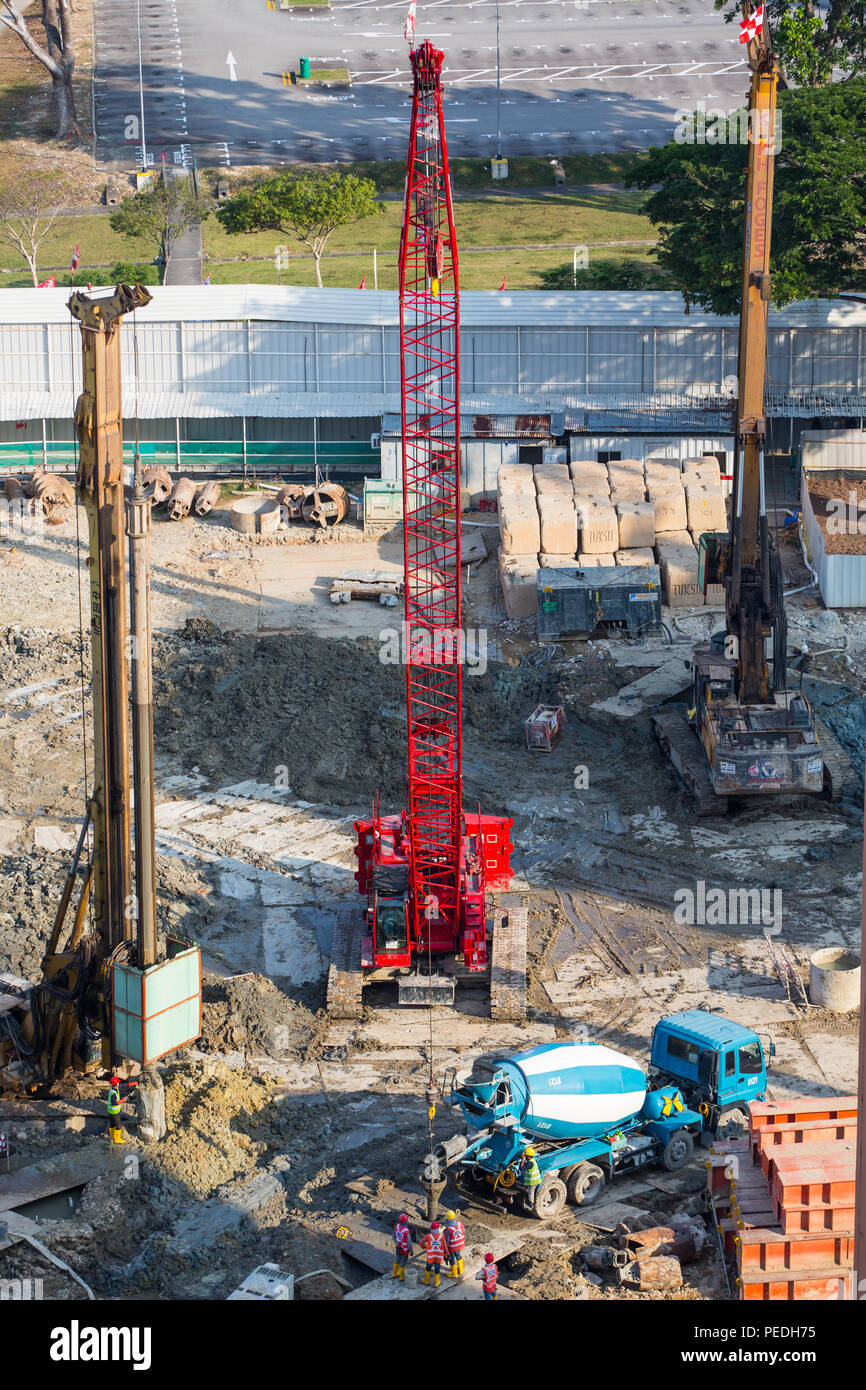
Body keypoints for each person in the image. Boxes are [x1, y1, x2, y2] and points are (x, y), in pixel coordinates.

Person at [421, 1219, 446, 1287]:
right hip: (438, 1257)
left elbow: (421, 1243)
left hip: (430, 1257)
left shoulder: (428, 1236)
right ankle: (436, 1282)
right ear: (438, 1229)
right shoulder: (442, 1237)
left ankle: (426, 1280)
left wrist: (424, 1247)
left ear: (431, 1229)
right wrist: (447, 1254)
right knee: (437, 1269)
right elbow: (445, 1246)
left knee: (428, 1268)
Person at [443, 1210, 465, 1279]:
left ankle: (454, 1274)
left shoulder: (448, 1229)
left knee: (451, 1259)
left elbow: (447, 1240)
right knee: (458, 1256)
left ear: (448, 1219)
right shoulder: (460, 1224)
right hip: (460, 1244)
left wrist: (445, 1249)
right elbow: (463, 1231)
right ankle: (461, 1270)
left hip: (452, 1247)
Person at [392, 1212, 413, 1281]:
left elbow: (394, 1236)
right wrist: (411, 1251)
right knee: (403, 1262)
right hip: (404, 1250)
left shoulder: (397, 1226)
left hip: (398, 1247)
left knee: (397, 1259)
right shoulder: (406, 1231)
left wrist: (398, 1242)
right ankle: (402, 1277)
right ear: (406, 1221)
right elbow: (409, 1243)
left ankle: (394, 1273)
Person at [106, 1076, 123, 1145]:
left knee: (112, 1124)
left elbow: (124, 1085)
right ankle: (117, 1139)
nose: (119, 1084)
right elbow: (114, 1103)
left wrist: (133, 1083)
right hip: (115, 1112)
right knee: (118, 1125)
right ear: (116, 1084)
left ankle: (112, 1137)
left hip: (110, 1111)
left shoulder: (112, 1090)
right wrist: (122, 1101)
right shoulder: (113, 1093)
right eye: (118, 1083)